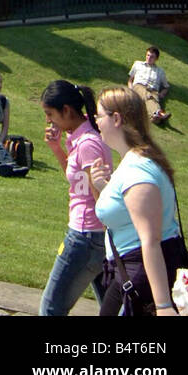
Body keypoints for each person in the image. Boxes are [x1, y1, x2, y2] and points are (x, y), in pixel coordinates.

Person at [90, 86, 188, 317]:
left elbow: (150, 240)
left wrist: (163, 306)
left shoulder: (137, 171)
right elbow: (127, 213)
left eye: (98, 116)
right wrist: (104, 188)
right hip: (131, 272)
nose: (96, 122)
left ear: (116, 119)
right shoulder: (135, 162)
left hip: (141, 276)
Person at [39, 79, 112, 317]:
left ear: (67, 110)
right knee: (111, 309)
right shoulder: (84, 137)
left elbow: (98, 193)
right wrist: (56, 148)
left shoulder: (88, 144)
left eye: (50, 114)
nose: (48, 120)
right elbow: (79, 182)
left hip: (84, 236)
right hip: (94, 237)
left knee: (51, 308)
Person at [127, 45, 170, 125]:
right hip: (139, 87)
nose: (149, 58)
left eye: (152, 57)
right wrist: (131, 89)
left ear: (156, 59)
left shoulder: (160, 71)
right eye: (148, 55)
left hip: (153, 91)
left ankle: (155, 118)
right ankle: (159, 113)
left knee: (152, 98)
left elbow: (166, 87)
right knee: (149, 96)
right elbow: (130, 80)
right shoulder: (138, 64)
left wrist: (162, 94)